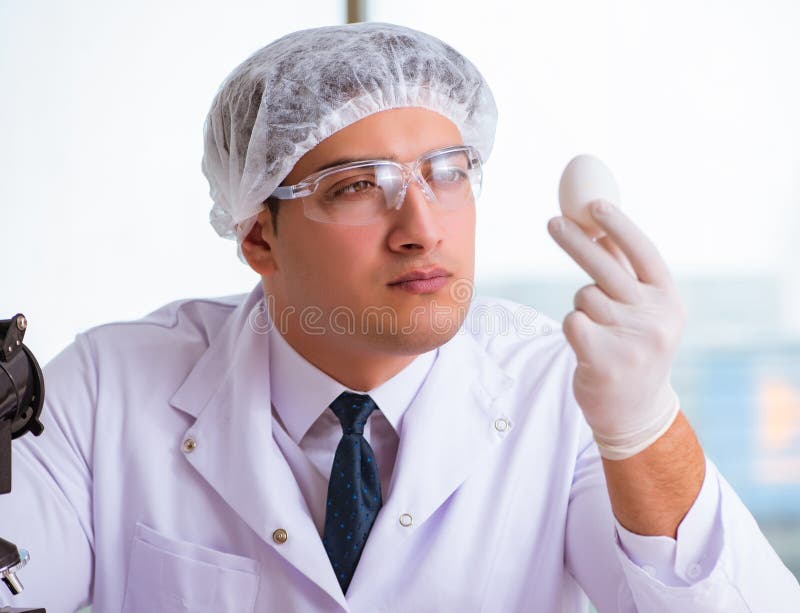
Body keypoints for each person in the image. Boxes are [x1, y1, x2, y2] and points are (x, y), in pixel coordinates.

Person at [2, 21, 798, 613]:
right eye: (358, 184)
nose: (423, 225)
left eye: (448, 173)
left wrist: (646, 423)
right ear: (257, 237)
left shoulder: (561, 392)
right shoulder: (104, 389)